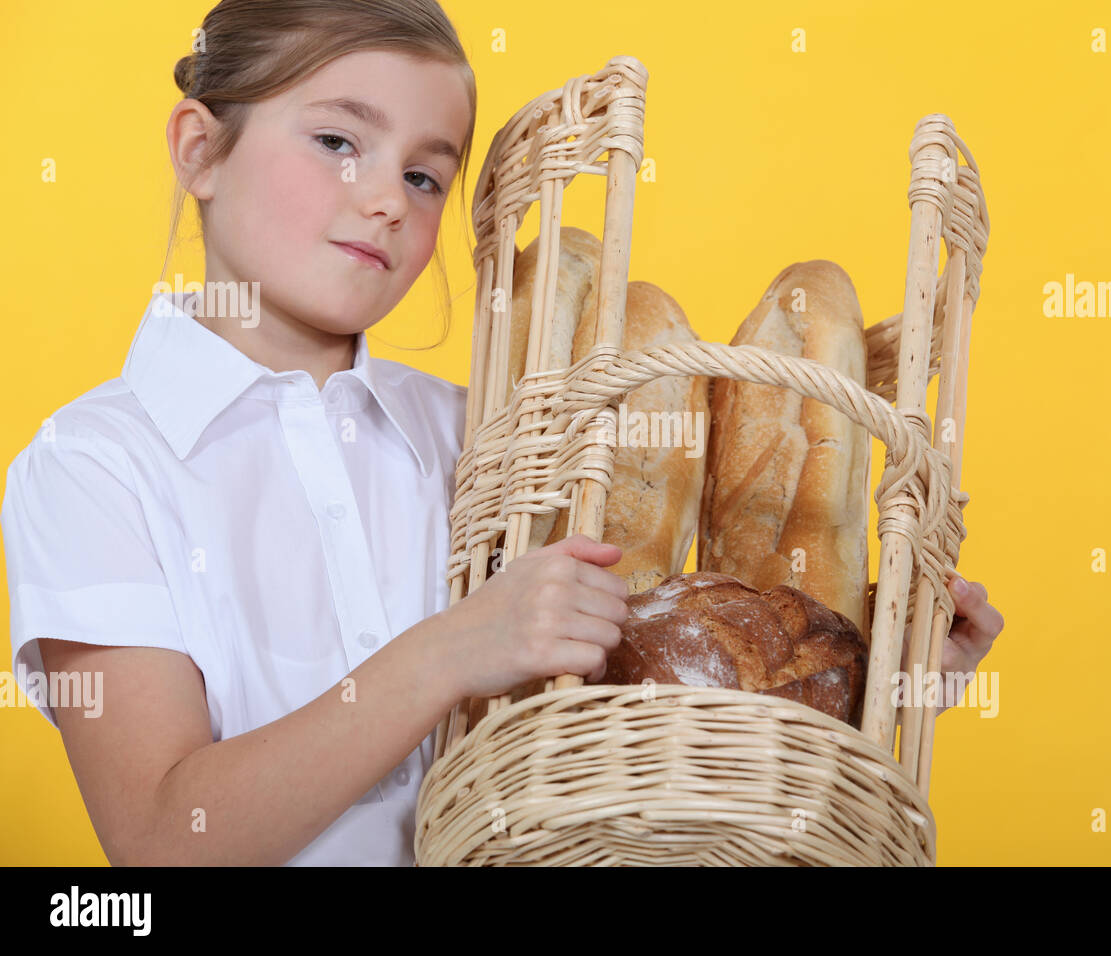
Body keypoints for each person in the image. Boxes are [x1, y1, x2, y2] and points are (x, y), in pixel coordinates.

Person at [1, 0, 1003, 866]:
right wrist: (447, 652)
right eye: (337, 141)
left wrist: (884, 673)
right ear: (200, 148)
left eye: (427, 175)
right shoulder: (96, 466)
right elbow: (163, 832)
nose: (388, 199)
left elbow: (638, 701)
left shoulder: (481, 431)